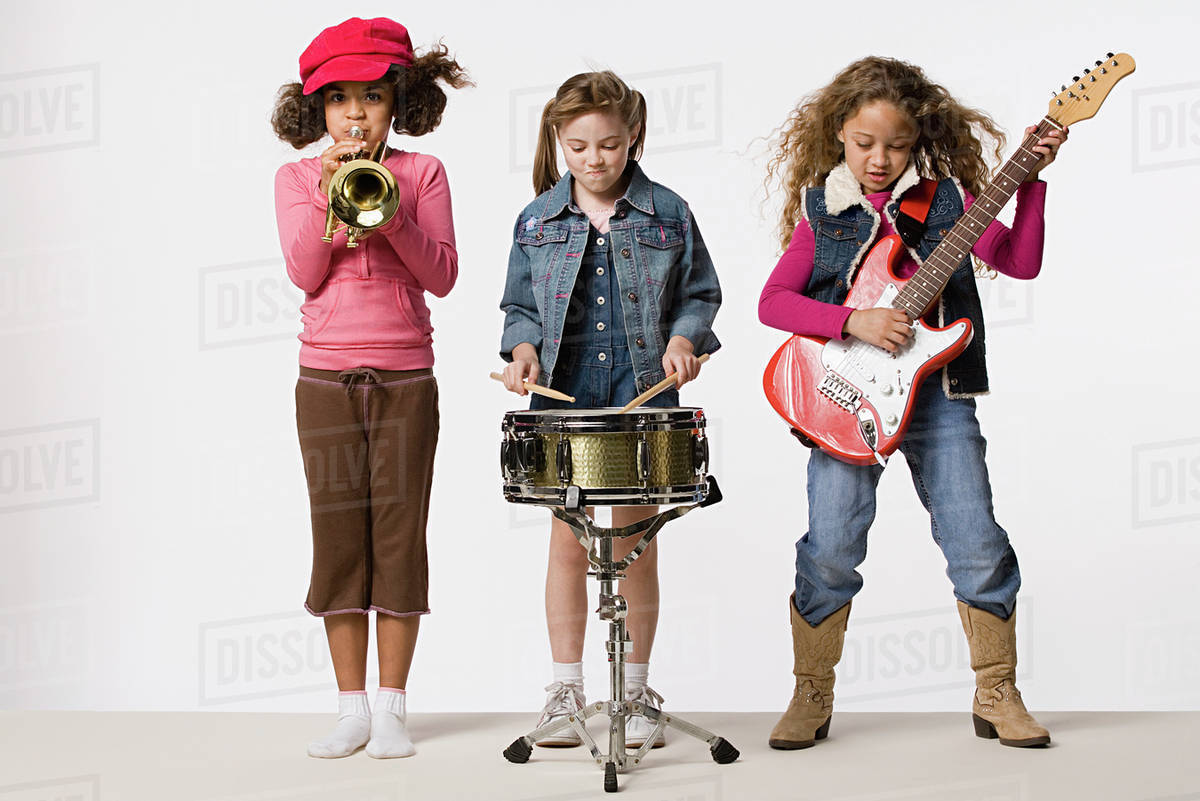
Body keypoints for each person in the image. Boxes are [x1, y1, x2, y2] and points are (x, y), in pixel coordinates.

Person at [758, 56, 1067, 750]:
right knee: (832, 544)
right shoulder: (825, 210)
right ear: (839, 133)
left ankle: (997, 688)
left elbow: (1020, 261)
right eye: (865, 142)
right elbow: (773, 303)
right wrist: (852, 321)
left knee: (975, 538)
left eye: (895, 145)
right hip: (847, 400)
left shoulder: (950, 201)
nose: (879, 157)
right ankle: (811, 689)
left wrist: (1033, 180)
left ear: (916, 141)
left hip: (940, 398)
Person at [499, 71, 721, 749]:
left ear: (635, 139)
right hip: (563, 397)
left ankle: (635, 689)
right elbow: (521, 308)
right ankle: (567, 686)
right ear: (558, 143)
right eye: (578, 147)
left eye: (610, 145)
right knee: (568, 542)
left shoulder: (670, 212)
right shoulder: (537, 219)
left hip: (641, 391)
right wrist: (522, 351)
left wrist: (685, 340)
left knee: (634, 545)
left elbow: (700, 292)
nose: (594, 159)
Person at [271, 16, 469, 759]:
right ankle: (349, 705)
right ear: (317, 109)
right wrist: (333, 207)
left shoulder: (422, 175)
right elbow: (302, 270)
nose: (355, 115)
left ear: (399, 101)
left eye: (373, 97)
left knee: (397, 537)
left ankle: (392, 706)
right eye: (339, 99)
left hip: (405, 374)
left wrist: (386, 219)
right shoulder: (296, 177)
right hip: (324, 377)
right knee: (338, 540)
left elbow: (443, 275)